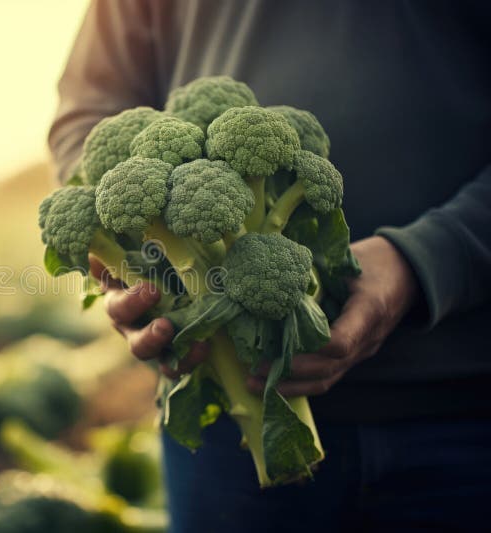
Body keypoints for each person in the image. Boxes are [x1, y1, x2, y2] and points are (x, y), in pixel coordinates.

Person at [48, 1, 491, 531]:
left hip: (465, 412)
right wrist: (128, 255)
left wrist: (430, 258)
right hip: (223, 419)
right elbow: (89, 104)